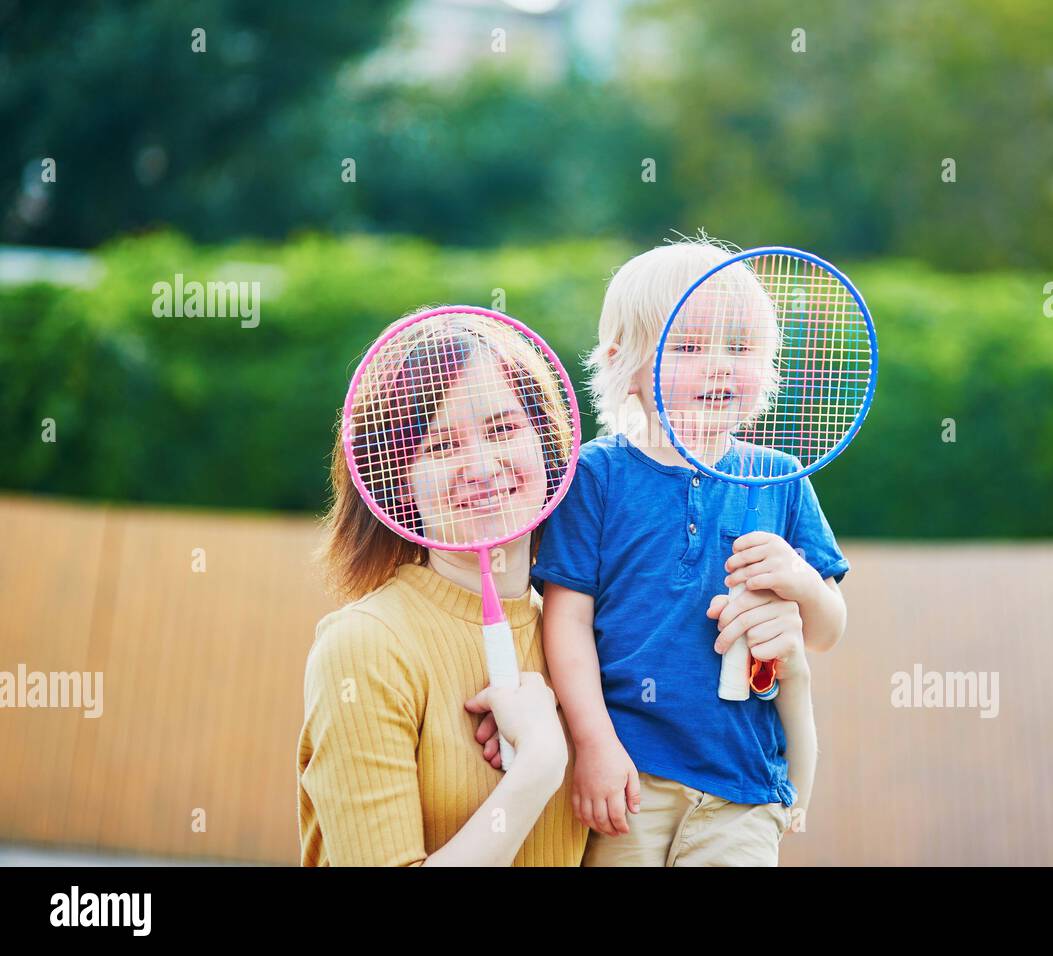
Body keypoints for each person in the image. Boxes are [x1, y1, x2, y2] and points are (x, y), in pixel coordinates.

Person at [533, 238, 848, 866]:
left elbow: (826, 630)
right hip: (628, 774)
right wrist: (594, 743)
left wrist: (804, 582)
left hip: (743, 783)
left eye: (740, 348)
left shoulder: (780, 475)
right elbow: (564, 621)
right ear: (625, 363)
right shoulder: (597, 476)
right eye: (689, 345)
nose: (720, 366)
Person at [297, 311, 586, 866]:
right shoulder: (366, 647)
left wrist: (777, 667)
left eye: (502, 429)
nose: (478, 466)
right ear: (397, 478)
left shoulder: (588, 633)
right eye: (439, 445)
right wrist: (537, 769)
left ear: (547, 446)